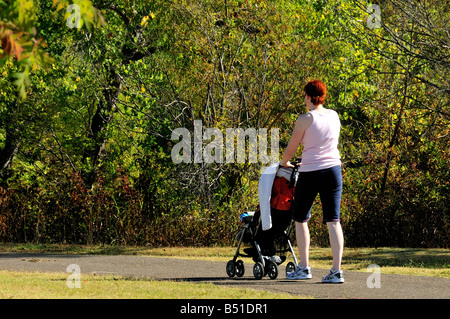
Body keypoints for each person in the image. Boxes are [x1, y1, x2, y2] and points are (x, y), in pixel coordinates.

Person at [280, 79, 345, 283]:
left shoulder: (305, 119)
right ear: (323, 96)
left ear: (308, 96)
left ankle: (304, 267)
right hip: (334, 170)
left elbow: (291, 147)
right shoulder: (334, 115)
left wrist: (284, 162)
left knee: (300, 218)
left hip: (310, 172)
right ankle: (336, 271)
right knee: (333, 220)